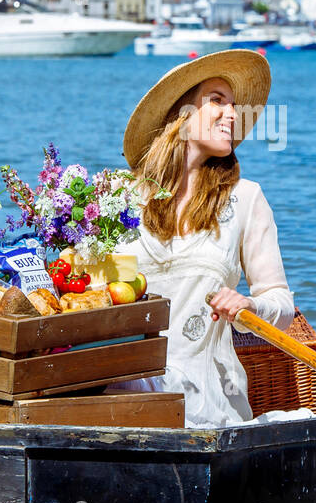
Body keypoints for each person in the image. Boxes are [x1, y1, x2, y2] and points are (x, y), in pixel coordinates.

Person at [121, 50, 295, 427]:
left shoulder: (246, 198)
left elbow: (281, 305)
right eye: (217, 100)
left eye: (234, 106)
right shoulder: (122, 200)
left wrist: (248, 305)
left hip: (205, 405)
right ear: (180, 115)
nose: (233, 115)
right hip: (121, 397)